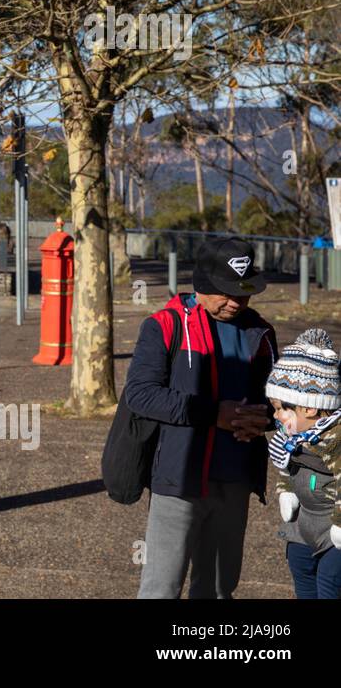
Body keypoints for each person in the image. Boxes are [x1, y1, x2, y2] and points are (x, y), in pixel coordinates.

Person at [125, 236, 278, 598]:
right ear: (202, 286)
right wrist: (215, 414)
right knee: (161, 589)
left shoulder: (261, 332)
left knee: (218, 590)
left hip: (236, 479)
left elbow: (278, 401)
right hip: (179, 481)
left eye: (243, 292)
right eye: (226, 292)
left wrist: (263, 418)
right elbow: (140, 394)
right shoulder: (164, 325)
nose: (235, 301)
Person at [265, 328, 341, 598]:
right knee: (302, 575)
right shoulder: (293, 433)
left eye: (281, 407)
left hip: (334, 529)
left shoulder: (334, 437)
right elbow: (286, 464)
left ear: (308, 407)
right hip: (303, 524)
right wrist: (285, 489)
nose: (276, 415)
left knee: (330, 584)